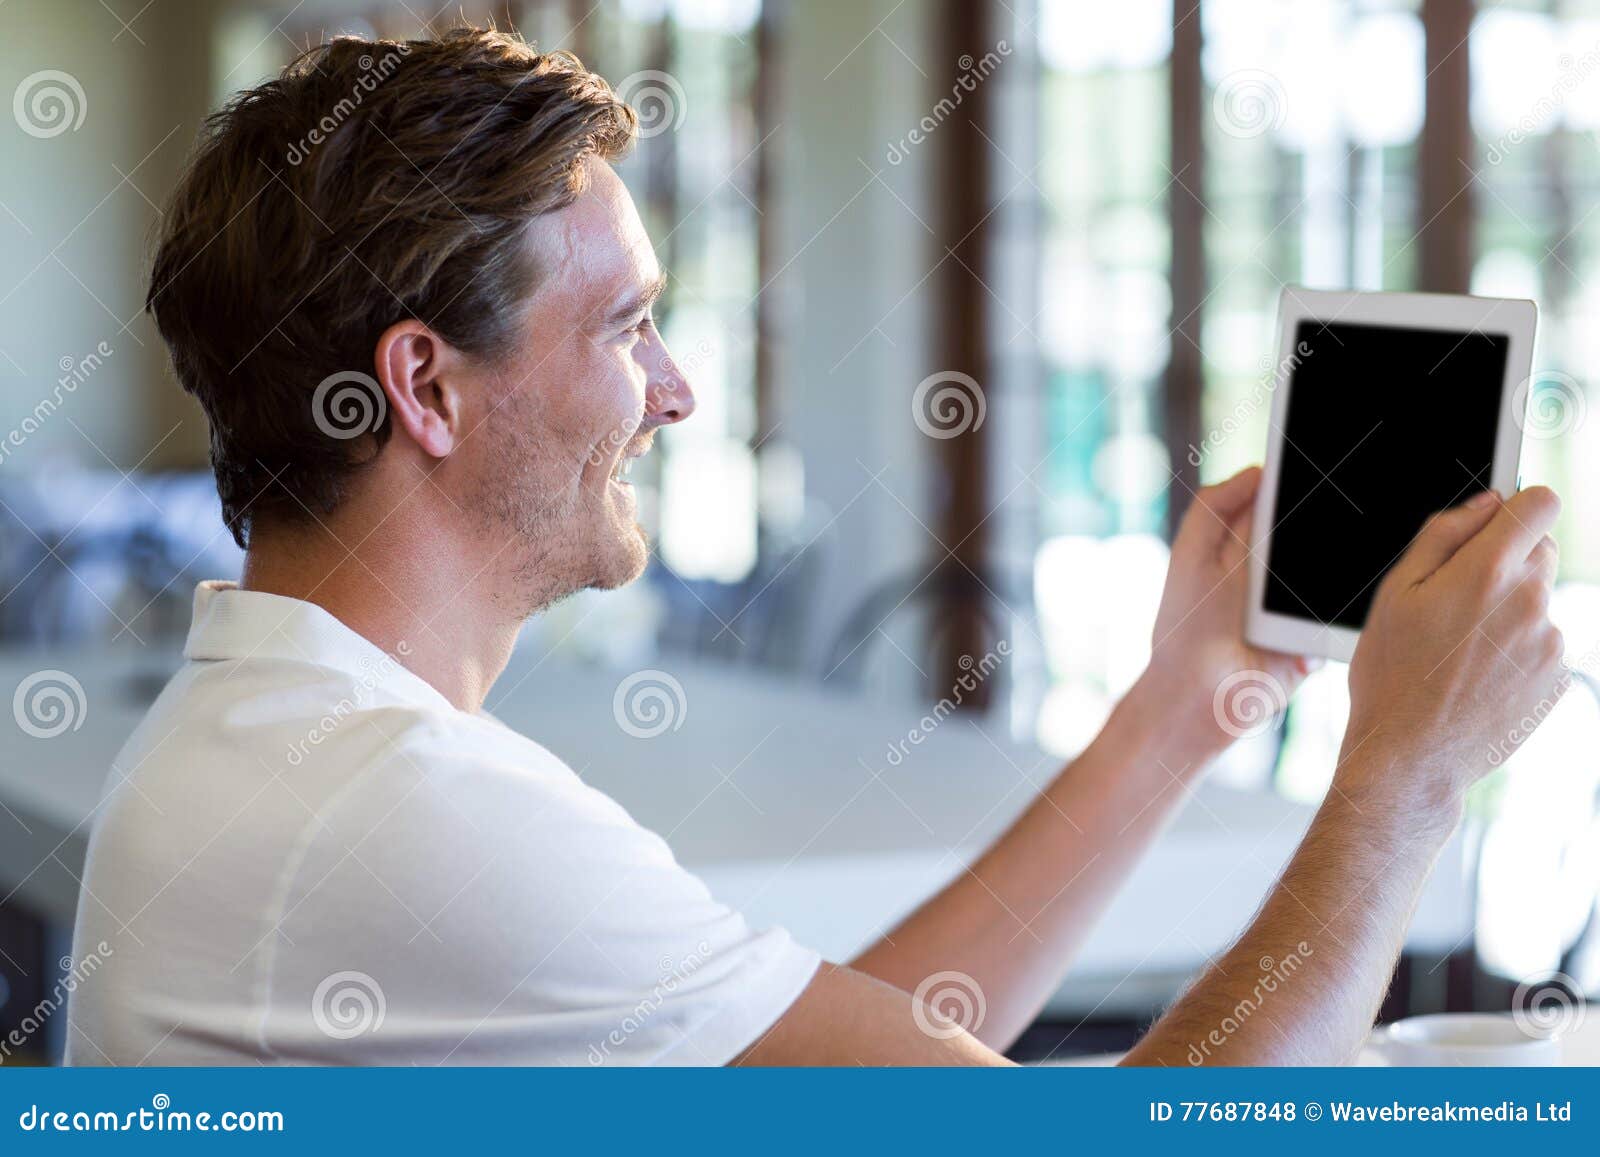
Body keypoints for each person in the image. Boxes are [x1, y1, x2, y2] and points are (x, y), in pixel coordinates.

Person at [66, 27, 1567, 1066]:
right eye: (628, 326)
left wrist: (1185, 705)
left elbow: (826, 1070)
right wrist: (1408, 778)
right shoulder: (406, 817)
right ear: (427, 386)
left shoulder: (287, 742)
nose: (676, 391)